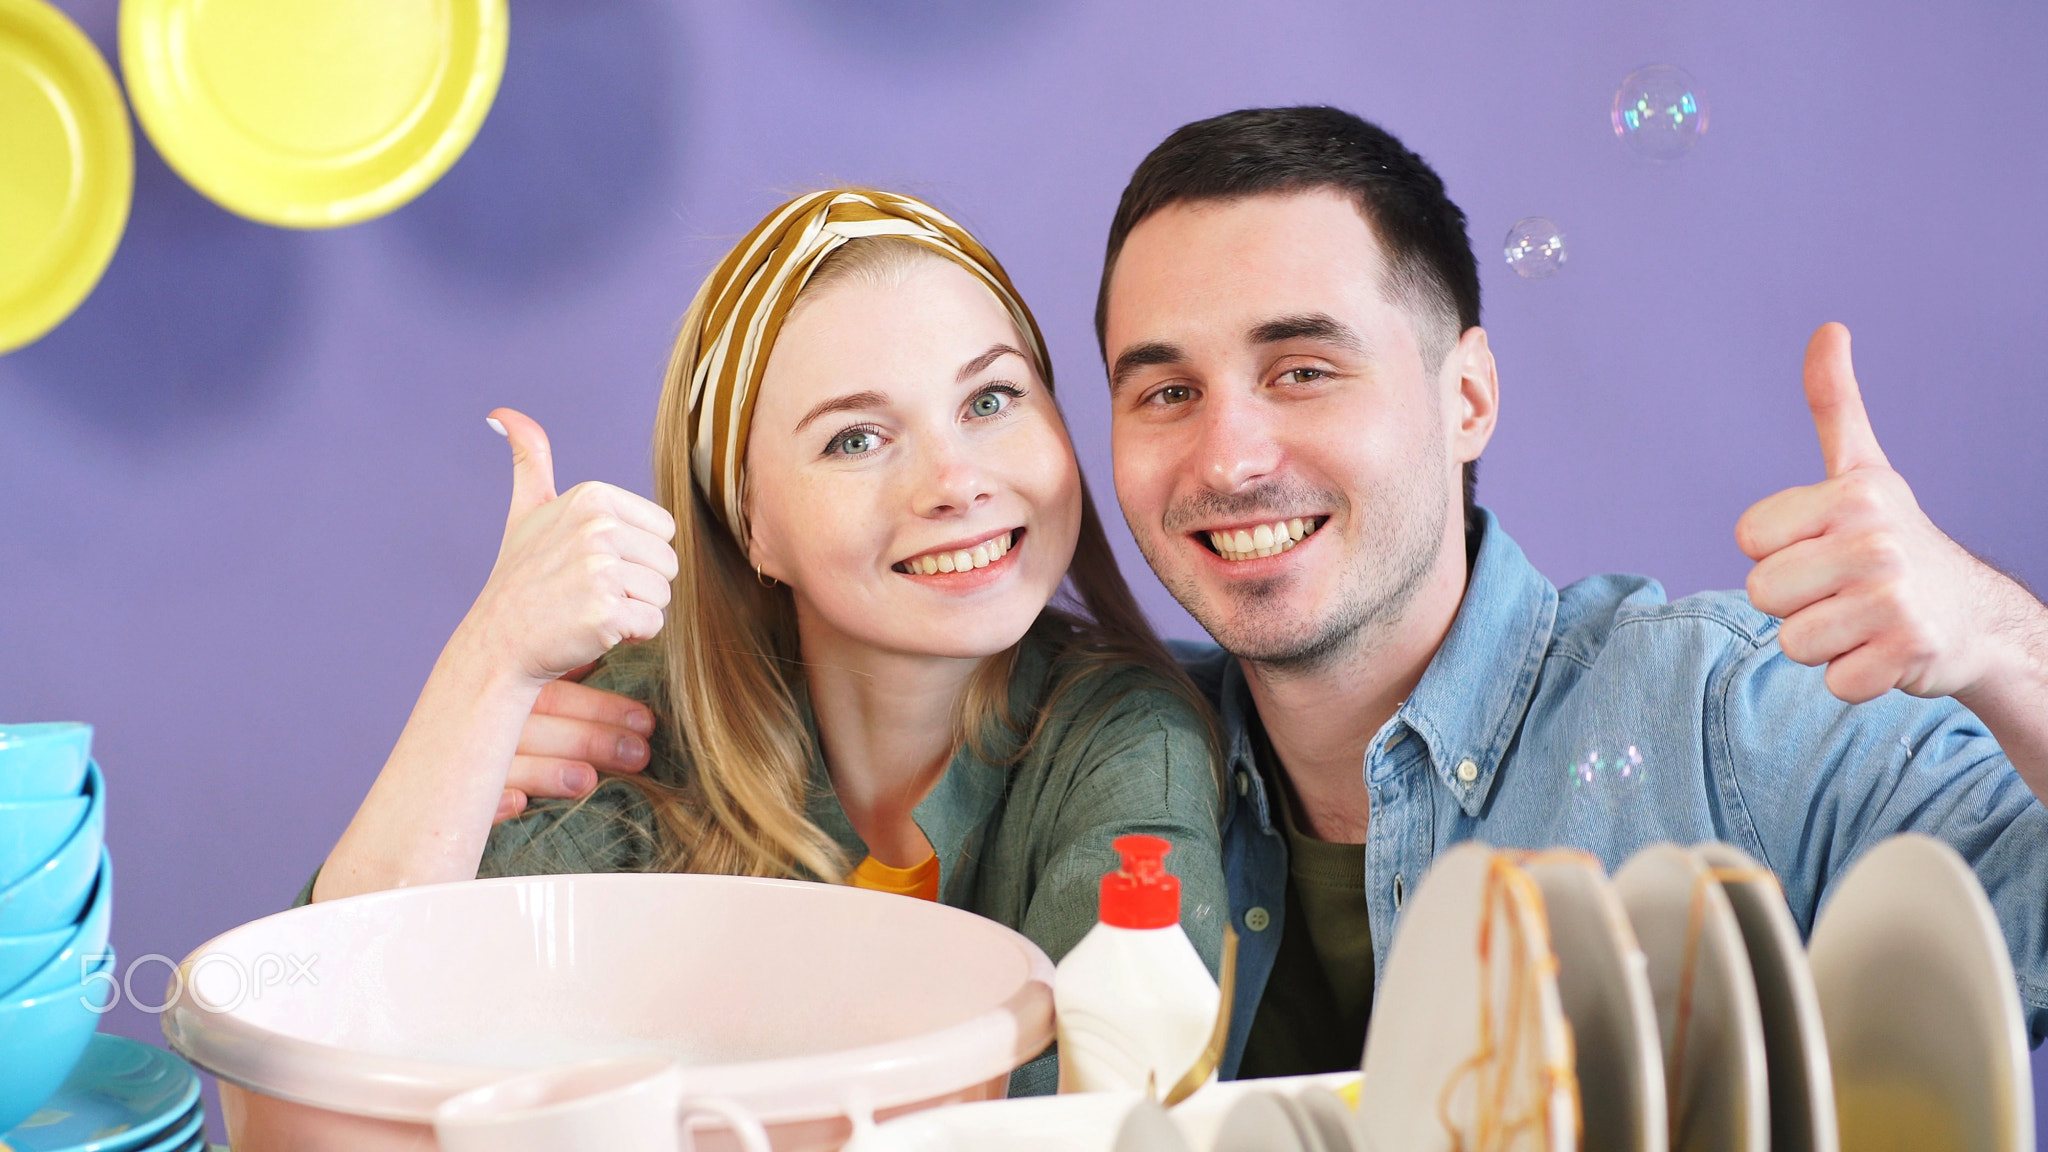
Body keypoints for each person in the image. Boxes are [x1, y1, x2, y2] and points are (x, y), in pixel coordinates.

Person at [516, 110, 2048, 1078]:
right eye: (1163, 390)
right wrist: (532, 719)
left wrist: (1997, 644)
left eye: (1303, 368)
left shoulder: (1723, 709)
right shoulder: (1104, 752)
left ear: (1466, 398)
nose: (1233, 454)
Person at [306, 189, 1229, 1095]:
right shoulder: (636, 732)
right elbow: (326, 1035)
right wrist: (488, 668)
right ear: (751, 525)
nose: (956, 481)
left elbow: (1101, 1115)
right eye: (857, 439)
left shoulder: (1127, 744)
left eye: (991, 399)